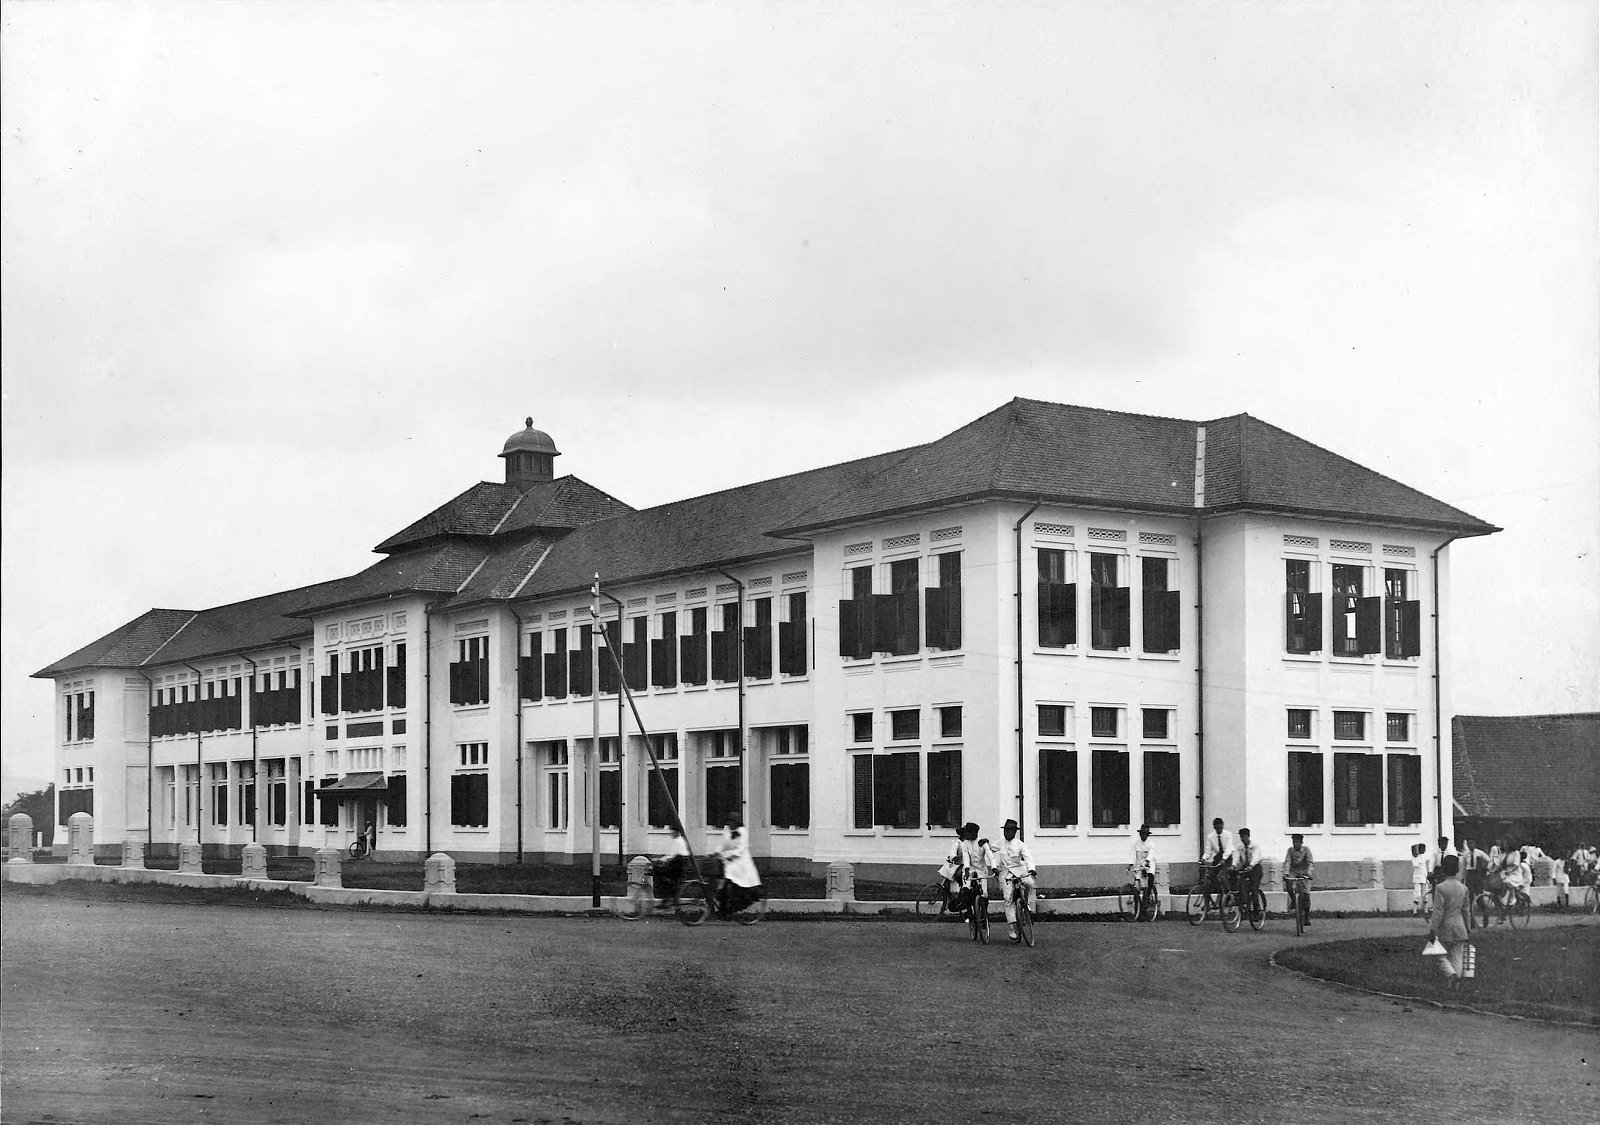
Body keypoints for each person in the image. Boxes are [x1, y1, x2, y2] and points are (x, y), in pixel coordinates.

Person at [1427, 854, 1473, 988]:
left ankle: (1451, 975)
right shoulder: (1463, 888)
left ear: (1444, 869)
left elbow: (1438, 911)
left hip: (1445, 926)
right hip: (1460, 927)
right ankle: (1455, 985)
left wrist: (1433, 928)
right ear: (1457, 870)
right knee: (1457, 956)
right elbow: (1466, 911)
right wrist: (1468, 928)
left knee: (1438, 955)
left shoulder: (1441, 888)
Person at [991, 819, 1036, 943]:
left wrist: (1032, 869)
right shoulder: (1000, 843)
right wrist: (984, 844)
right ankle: (1011, 926)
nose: (1007, 833)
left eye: (1010, 831)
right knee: (1007, 897)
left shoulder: (1020, 844)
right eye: (1005, 830)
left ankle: (1025, 903)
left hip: (1020, 869)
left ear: (1014, 832)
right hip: (1005, 872)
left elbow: (1028, 857)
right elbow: (990, 849)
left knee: (1029, 883)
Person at [715, 814, 764, 917]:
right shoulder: (727, 831)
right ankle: (723, 908)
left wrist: (731, 855)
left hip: (741, 863)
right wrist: (717, 852)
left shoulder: (743, 832)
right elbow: (724, 845)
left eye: (732, 822)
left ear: (737, 823)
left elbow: (741, 848)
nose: (730, 824)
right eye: (729, 822)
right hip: (729, 863)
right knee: (724, 885)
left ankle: (732, 907)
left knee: (739, 885)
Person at [652, 822, 690, 904]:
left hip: (678, 864)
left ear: (676, 832)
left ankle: (666, 900)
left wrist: (660, 860)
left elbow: (672, 856)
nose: (671, 834)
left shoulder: (677, 841)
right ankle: (667, 899)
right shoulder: (681, 840)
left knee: (660, 875)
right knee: (666, 878)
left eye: (672, 832)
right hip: (681, 863)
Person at [1283, 833, 1315, 928]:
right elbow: (1287, 862)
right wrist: (1286, 873)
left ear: (1301, 842)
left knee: (1306, 894)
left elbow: (1310, 863)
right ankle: (1293, 899)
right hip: (1293, 871)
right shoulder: (1290, 850)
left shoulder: (1306, 850)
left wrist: (1309, 873)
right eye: (1294, 842)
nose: (1295, 844)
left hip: (1304, 872)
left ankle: (1306, 916)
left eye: (1297, 842)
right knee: (1288, 883)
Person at [1200, 817, 1236, 899]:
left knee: (1221, 876)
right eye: (1217, 828)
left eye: (1220, 827)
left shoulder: (1228, 834)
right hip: (1218, 858)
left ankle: (1229, 894)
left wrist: (1224, 859)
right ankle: (1217, 895)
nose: (1219, 830)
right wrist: (1204, 858)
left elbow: (1229, 848)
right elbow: (1208, 850)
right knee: (1210, 876)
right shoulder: (1210, 837)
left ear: (1223, 826)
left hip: (1228, 858)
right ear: (1214, 827)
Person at [1233, 827, 1263, 908]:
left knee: (1254, 889)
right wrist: (1233, 865)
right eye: (1241, 837)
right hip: (1245, 868)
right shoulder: (1239, 847)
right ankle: (1243, 905)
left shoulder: (1255, 846)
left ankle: (1257, 910)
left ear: (1248, 836)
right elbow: (1236, 856)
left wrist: (1251, 865)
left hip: (1255, 869)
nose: (1242, 839)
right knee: (1240, 885)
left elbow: (1256, 857)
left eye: (1244, 837)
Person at [1131, 824, 1157, 899]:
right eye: (1142, 834)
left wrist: (1147, 862)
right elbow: (1132, 853)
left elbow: (1151, 853)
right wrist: (1130, 863)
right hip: (1139, 864)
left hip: (1149, 864)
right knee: (1136, 885)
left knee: (1150, 878)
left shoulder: (1151, 843)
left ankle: (1148, 896)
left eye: (1145, 834)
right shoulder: (1136, 843)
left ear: (1147, 835)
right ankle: (1137, 906)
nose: (1143, 836)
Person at [1410, 842, 1431, 915]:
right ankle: (1414, 911)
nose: (1423, 850)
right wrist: (1416, 855)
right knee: (1417, 895)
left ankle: (1426, 911)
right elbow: (1415, 865)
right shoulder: (1414, 858)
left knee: (1425, 895)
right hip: (1417, 878)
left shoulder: (1424, 856)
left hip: (1424, 877)